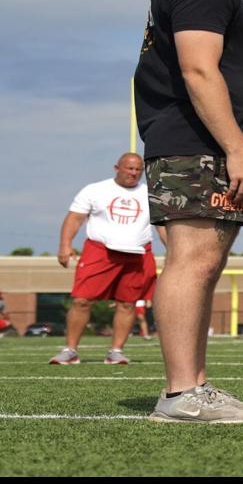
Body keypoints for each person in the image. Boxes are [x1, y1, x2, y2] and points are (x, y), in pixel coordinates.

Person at [136, 0, 243, 422]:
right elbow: (198, 69)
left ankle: (194, 386)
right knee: (193, 261)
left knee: (205, 265)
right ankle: (181, 392)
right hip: (197, 144)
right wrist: (238, 151)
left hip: (210, 146)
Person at [50, 153, 166, 365]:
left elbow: (162, 226)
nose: (134, 173)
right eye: (130, 168)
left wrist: (174, 252)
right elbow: (75, 218)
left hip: (138, 253)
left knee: (128, 304)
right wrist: (65, 245)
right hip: (100, 251)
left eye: (138, 169)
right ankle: (70, 350)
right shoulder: (95, 190)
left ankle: (116, 351)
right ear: (117, 168)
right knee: (81, 300)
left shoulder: (151, 193)